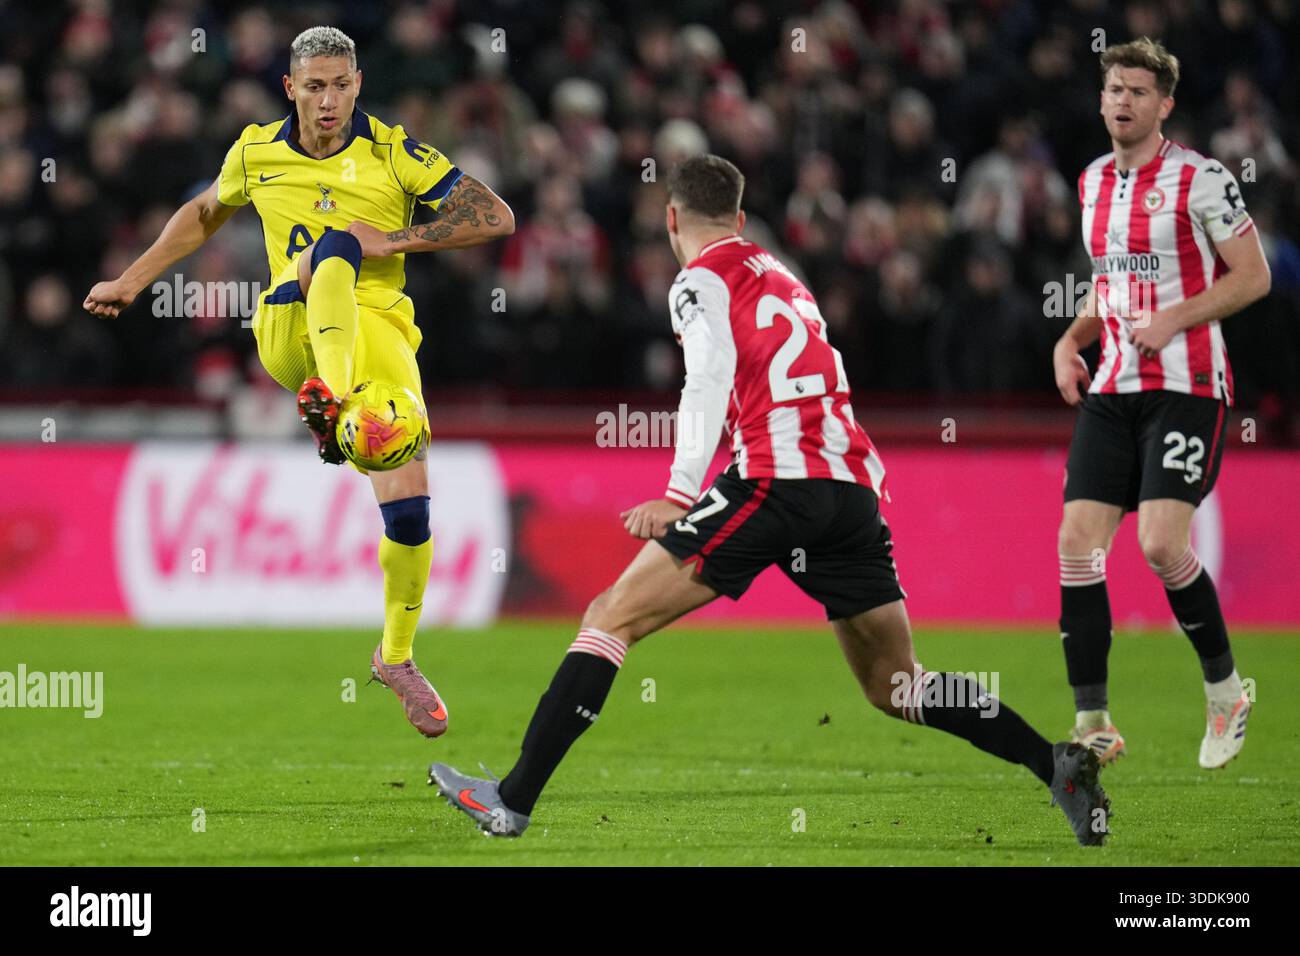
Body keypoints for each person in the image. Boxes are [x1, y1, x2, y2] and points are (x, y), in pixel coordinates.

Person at [431, 154, 1109, 846]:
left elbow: (707, 378)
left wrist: (677, 493)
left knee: (611, 617)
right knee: (898, 685)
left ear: (671, 219)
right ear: (742, 219)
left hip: (774, 481)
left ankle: (510, 801)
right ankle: (1053, 763)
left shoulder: (698, 280)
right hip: (850, 489)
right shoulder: (784, 274)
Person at [82, 26, 515, 739]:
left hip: (380, 333)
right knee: (332, 244)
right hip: (292, 329)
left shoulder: (394, 151)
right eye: (314, 86)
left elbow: (494, 216)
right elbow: (203, 214)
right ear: (291, 87)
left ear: (357, 85)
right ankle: (334, 408)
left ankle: (395, 657)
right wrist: (132, 280)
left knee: (410, 508)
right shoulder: (256, 150)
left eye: (340, 85)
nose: (328, 100)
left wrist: (398, 240)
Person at [1052, 38, 1269, 769]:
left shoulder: (1202, 179)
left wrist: (1178, 319)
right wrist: (1069, 341)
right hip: (1114, 388)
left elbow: (1254, 276)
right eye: (1114, 88)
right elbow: (1109, 287)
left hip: (1187, 386)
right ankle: (1094, 723)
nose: (1122, 101)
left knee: (1159, 546)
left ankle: (1225, 690)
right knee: (1076, 544)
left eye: (1138, 92)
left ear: (1164, 105)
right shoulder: (1089, 183)